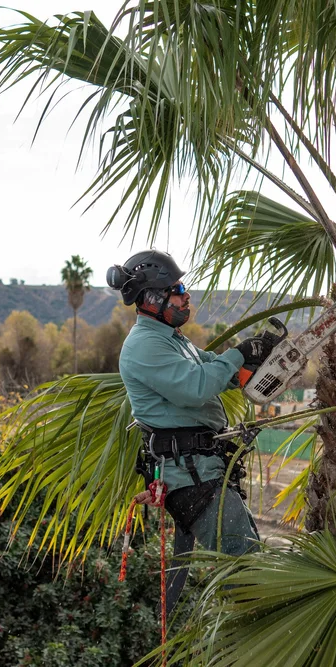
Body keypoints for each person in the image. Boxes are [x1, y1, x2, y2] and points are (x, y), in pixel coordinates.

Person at [106, 249, 276, 614]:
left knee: (247, 559)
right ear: (152, 298)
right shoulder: (144, 346)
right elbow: (195, 386)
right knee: (247, 574)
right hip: (191, 478)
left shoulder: (171, 339)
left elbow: (212, 368)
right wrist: (238, 353)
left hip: (205, 472)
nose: (187, 296)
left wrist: (249, 359)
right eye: (178, 288)